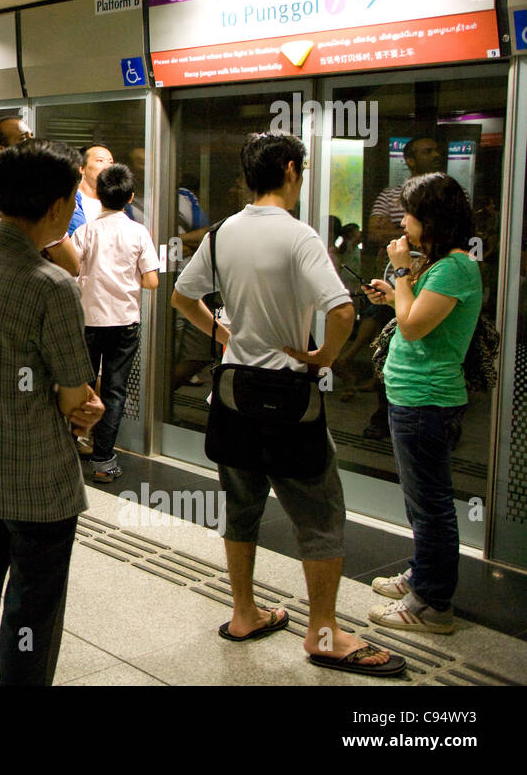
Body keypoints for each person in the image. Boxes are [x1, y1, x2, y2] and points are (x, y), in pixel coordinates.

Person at [170, 132, 403, 678]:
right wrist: (323, 356)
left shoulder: (224, 232)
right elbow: (342, 310)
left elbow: (183, 294)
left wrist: (224, 334)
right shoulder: (300, 236)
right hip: (289, 399)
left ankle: (245, 612)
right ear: (293, 170)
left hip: (232, 395)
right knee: (319, 516)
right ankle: (323, 634)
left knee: (241, 506)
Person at [0, 140, 104, 686]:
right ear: (58, 207)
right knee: (30, 614)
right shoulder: (50, 285)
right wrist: (87, 406)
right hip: (36, 487)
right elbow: (73, 397)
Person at [363, 173, 481, 635]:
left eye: (409, 213)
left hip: (427, 399)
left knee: (431, 505)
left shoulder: (454, 267)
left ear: (431, 218)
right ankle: (422, 574)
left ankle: (432, 605)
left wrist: (400, 274)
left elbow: (412, 328)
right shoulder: (440, 266)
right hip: (412, 395)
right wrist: (395, 294)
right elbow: (414, 314)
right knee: (420, 502)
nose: (402, 221)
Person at [70, 163, 160, 483]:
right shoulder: (138, 232)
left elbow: (69, 269)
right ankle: (103, 460)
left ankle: (69, 450)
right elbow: (151, 282)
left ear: (98, 195)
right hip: (124, 322)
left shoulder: (85, 231)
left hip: (89, 322)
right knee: (114, 390)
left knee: (81, 385)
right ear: (131, 197)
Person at [360, 136, 444, 439]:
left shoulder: (445, 194)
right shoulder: (390, 194)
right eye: (428, 150)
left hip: (414, 277)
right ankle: (386, 413)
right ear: (409, 160)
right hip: (398, 276)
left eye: (411, 217)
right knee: (390, 344)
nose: (436, 154)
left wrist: (403, 261)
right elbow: (373, 230)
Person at [0, 113, 79, 276]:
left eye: (32, 135)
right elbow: (71, 265)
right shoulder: (22, 192)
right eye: (24, 139)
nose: (33, 143)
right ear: (1, 151)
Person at [71, 144, 114, 233]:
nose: (107, 167)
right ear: (82, 168)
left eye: (111, 162)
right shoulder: (70, 200)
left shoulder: (117, 201)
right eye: (100, 160)